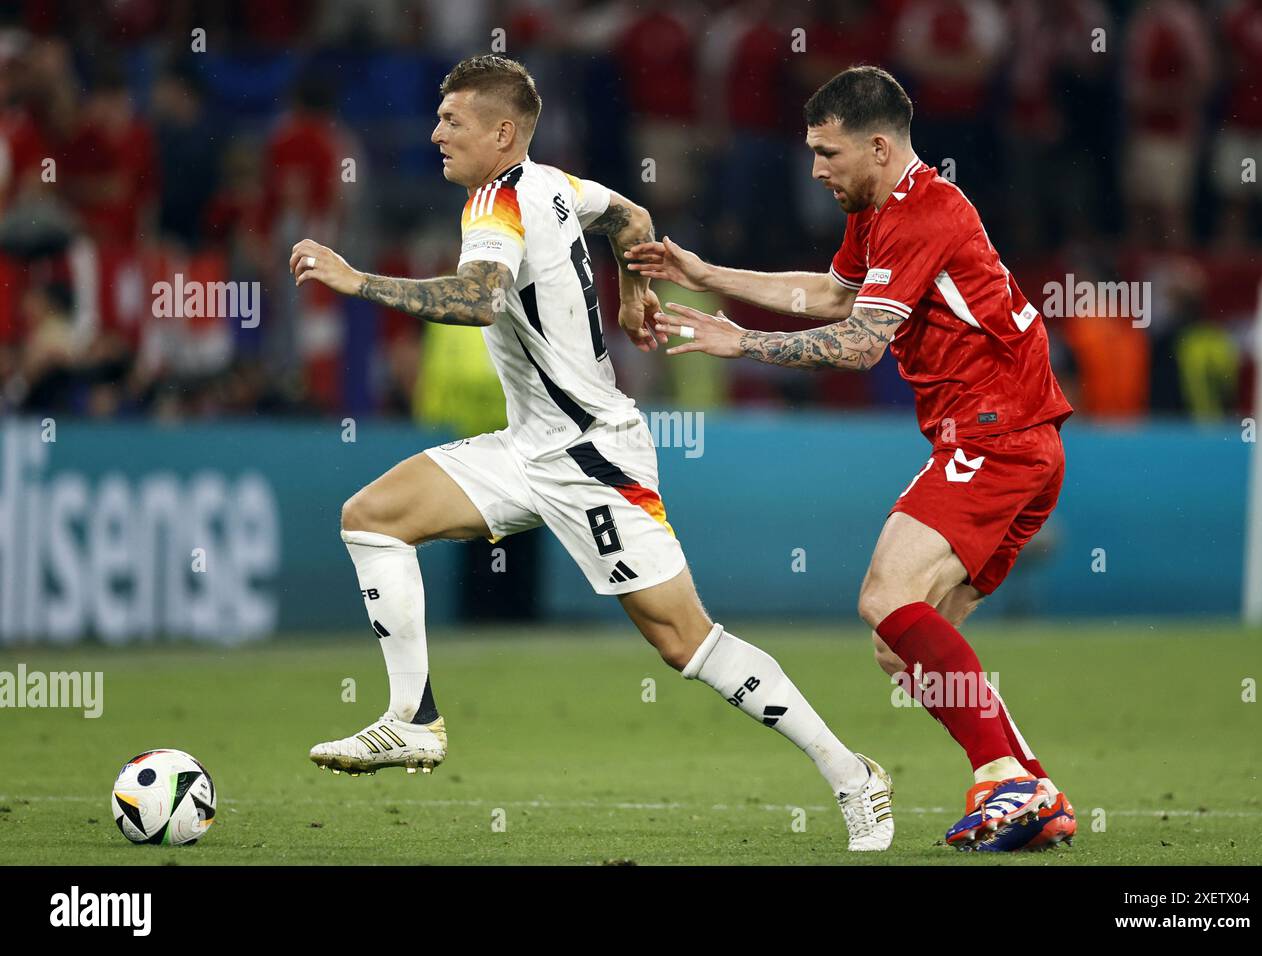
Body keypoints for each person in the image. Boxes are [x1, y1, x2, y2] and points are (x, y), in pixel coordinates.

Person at [289, 55, 893, 852]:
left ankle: (854, 776)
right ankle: (413, 720)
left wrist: (355, 279)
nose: (435, 130)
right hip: (528, 446)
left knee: (686, 642)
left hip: (592, 456)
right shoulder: (554, 184)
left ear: (502, 133)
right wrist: (638, 290)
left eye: (452, 120)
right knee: (371, 518)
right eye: (437, 116)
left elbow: (477, 298)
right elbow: (633, 217)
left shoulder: (499, 205)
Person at [631, 65, 1076, 851]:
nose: (815, 169)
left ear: (877, 146)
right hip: (1005, 440)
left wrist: (742, 343)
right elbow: (835, 297)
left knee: (884, 595)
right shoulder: (882, 211)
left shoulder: (924, 212)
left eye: (827, 152)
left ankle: (1005, 781)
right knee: (897, 640)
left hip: (996, 435)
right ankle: (1028, 784)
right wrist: (709, 277)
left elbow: (859, 344)